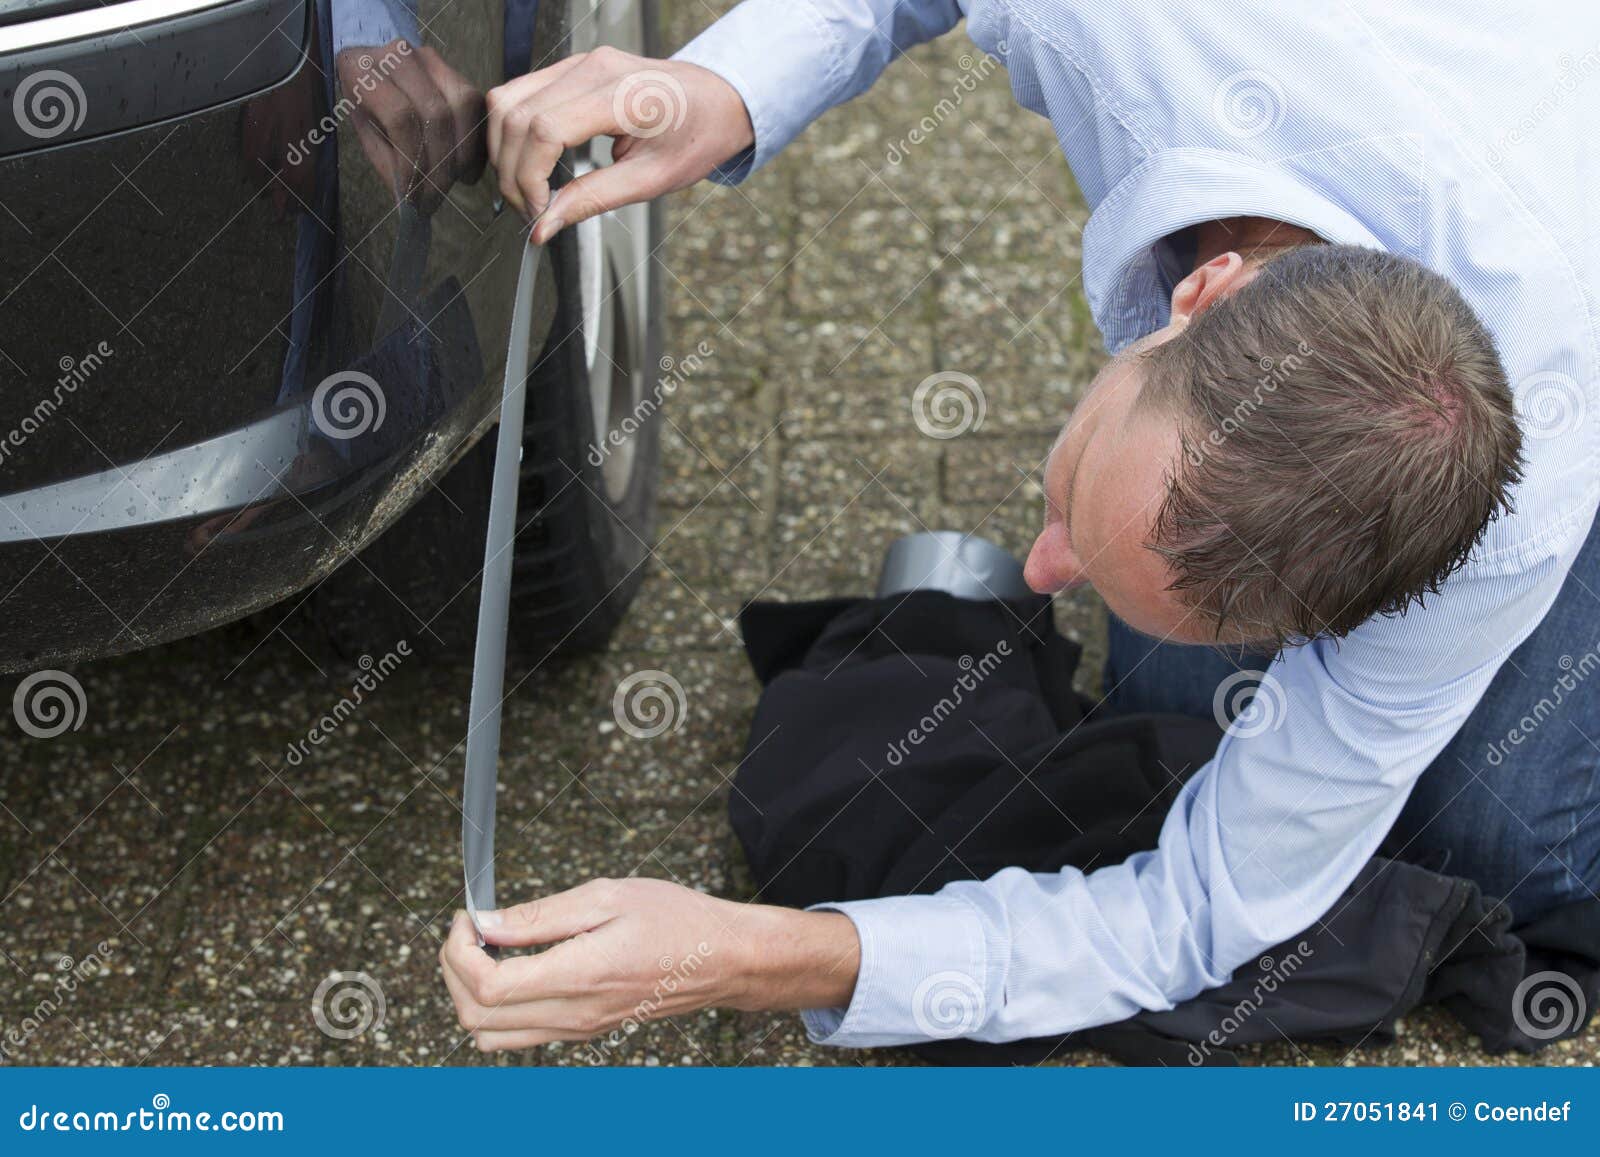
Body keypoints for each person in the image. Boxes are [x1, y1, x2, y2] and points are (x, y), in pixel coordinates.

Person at [440, 0, 1600, 1052]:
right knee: (1171, 738)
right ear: (1205, 290)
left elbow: (1195, 908)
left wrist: (747, 952)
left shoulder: (1514, 521)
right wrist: (721, 85)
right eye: (1073, 499)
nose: (1040, 574)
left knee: (1499, 859)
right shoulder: (1126, 28)